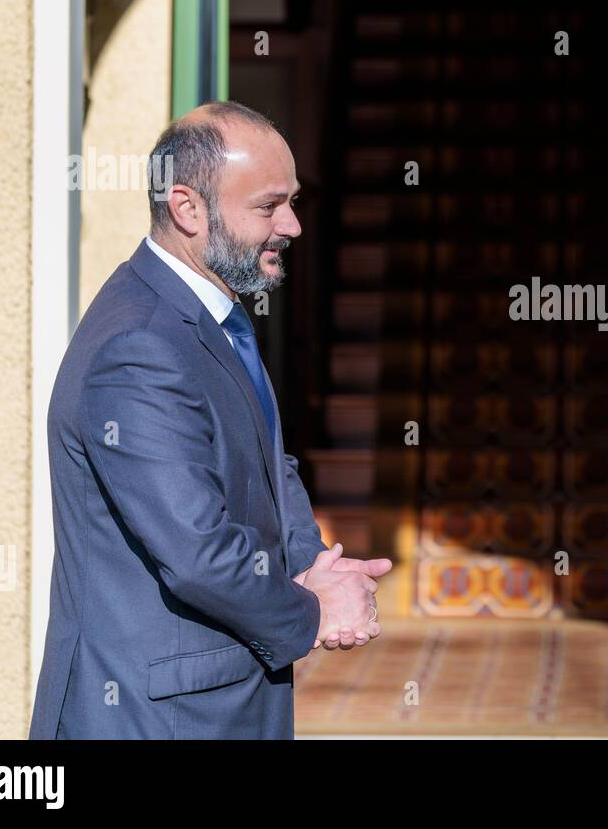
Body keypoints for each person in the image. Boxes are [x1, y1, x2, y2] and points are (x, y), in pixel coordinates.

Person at [29, 101, 390, 739]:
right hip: (154, 718)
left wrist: (312, 565)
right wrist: (312, 612)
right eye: (269, 206)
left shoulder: (210, 312)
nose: (294, 225)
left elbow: (268, 465)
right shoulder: (138, 345)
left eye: (293, 200)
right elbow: (196, 551)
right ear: (188, 207)